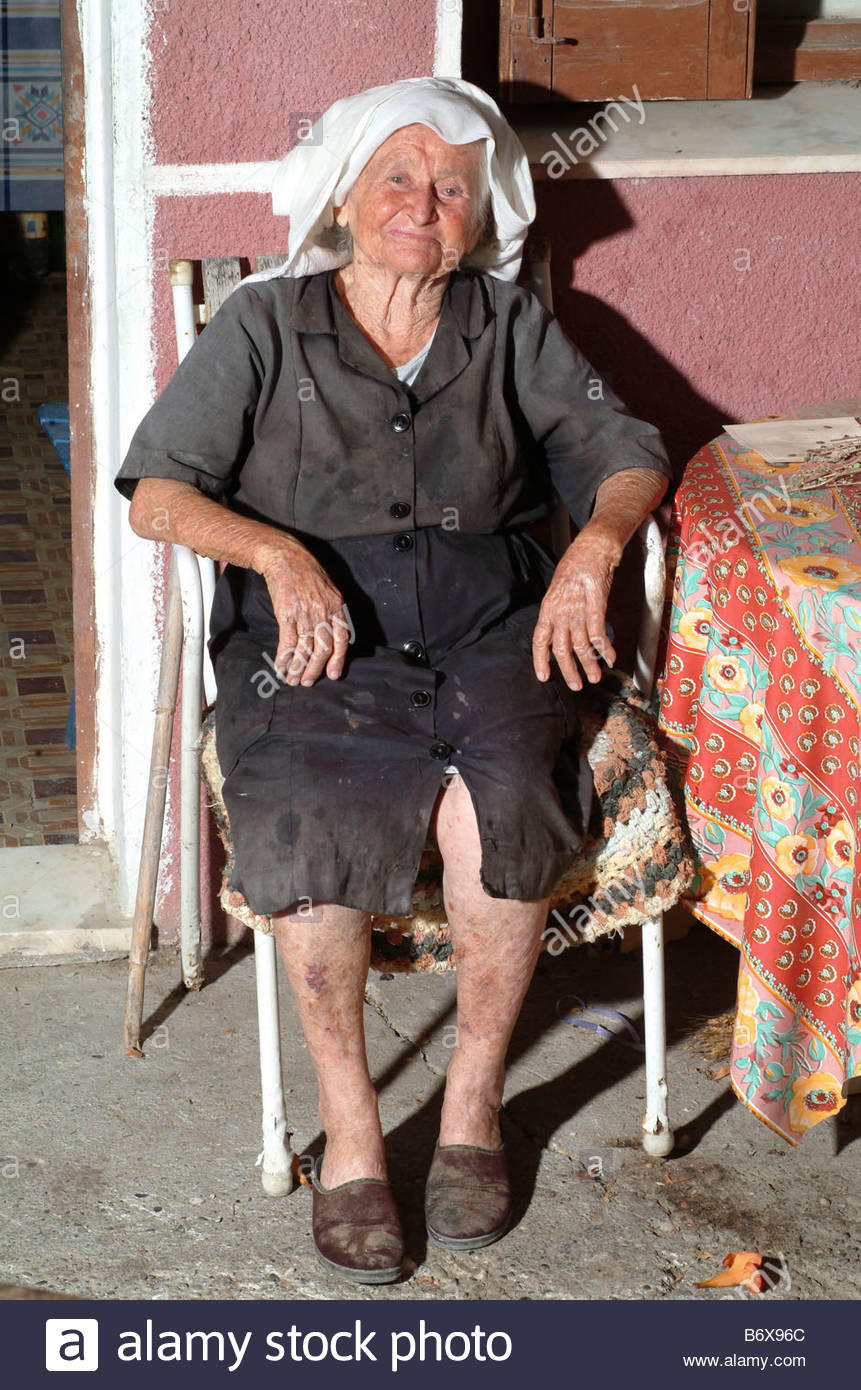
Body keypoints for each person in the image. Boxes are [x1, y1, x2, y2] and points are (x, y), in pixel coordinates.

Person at [114, 76, 672, 1285]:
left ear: (481, 215)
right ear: (346, 198)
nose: (426, 205)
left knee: (509, 799)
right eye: (399, 179)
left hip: (490, 624)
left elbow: (621, 452)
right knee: (312, 816)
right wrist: (276, 553)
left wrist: (593, 547)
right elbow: (159, 493)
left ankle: (472, 1105)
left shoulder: (508, 325)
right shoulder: (264, 324)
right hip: (316, 641)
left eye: (454, 187)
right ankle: (355, 1129)